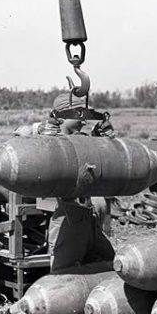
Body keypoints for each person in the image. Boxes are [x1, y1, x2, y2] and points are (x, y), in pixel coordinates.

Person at [43, 93, 115, 272]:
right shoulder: (52, 142)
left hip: (89, 217)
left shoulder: (81, 139)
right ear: (62, 116)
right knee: (61, 277)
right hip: (67, 219)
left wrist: (102, 138)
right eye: (79, 116)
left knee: (111, 266)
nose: (84, 121)